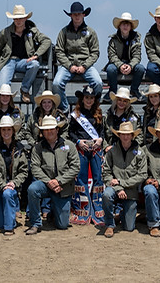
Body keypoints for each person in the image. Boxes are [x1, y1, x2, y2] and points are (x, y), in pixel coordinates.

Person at [26, 116, 80, 235]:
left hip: (63, 186)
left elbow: (75, 167)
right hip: (45, 184)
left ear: (57, 130)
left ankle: (53, 213)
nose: (49, 132)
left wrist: (59, 181)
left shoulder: (69, 145)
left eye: (51, 129)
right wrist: (49, 182)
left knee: (62, 225)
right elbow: (35, 168)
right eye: (46, 130)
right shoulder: (38, 148)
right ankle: (35, 223)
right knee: (33, 189)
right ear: (42, 132)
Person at [0, 5, 51, 102]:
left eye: (21, 18)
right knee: (2, 86)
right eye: (16, 18)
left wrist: (36, 55)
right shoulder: (5, 32)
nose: (18, 21)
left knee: (35, 64)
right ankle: (2, 107)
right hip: (8, 62)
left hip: (24, 61)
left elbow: (47, 41)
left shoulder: (32, 31)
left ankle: (24, 90)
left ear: (25, 18)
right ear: (13, 19)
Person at [53, 1, 102, 111]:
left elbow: (95, 53)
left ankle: (93, 109)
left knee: (98, 83)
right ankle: (64, 110)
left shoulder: (91, 32)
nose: (77, 16)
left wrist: (84, 66)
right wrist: (69, 66)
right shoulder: (63, 32)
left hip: (86, 66)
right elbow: (59, 51)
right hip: (67, 66)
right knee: (56, 84)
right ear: (70, 16)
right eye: (74, 14)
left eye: (79, 14)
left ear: (84, 15)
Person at [68, 85, 106, 226]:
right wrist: (78, 141)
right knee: (81, 178)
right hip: (81, 149)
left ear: (94, 99)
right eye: (86, 97)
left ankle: (98, 210)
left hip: (96, 148)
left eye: (91, 98)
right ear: (82, 99)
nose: (89, 100)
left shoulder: (99, 114)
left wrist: (100, 140)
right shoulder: (76, 115)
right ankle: (82, 210)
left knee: (98, 178)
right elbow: (70, 132)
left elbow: (102, 131)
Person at [101, 122, 148, 237]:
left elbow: (142, 175)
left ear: (132, 136)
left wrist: (122, 183)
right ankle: (109, 224)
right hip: (114, 188)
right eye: (123, 134)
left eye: (128, 134)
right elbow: (106, 173)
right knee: (106, 195)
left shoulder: (140, 152)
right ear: (119, 135)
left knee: (129, 228)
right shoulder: (112, 151)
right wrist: (118, 188)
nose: (125, 137)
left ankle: (121, 215)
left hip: (131, 190)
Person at [0, 116, 28, 235]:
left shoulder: (19, 148)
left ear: (13, 131)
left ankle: (9, 228)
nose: (6, 132)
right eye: (3, 129)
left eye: (9, 129)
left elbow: (24, 170)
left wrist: (14, 183)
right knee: (0, 223)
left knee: (7, 194)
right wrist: (3, 185)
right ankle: (11, 213)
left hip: (12, 187)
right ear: (0, 131)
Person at [105, 12, 146, 98]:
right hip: (117, 65)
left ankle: (134, 90)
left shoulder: (136, 39)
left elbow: (137, 56)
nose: (125, 26)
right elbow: (112, 56)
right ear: (119, 26)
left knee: (140, 68)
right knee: (110, 69)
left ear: (131, 27)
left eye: (128, 24)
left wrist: (130, 66)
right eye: (123, 24)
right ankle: (112, 91)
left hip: (131, 65)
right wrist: (120, 65)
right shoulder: (113, 40)